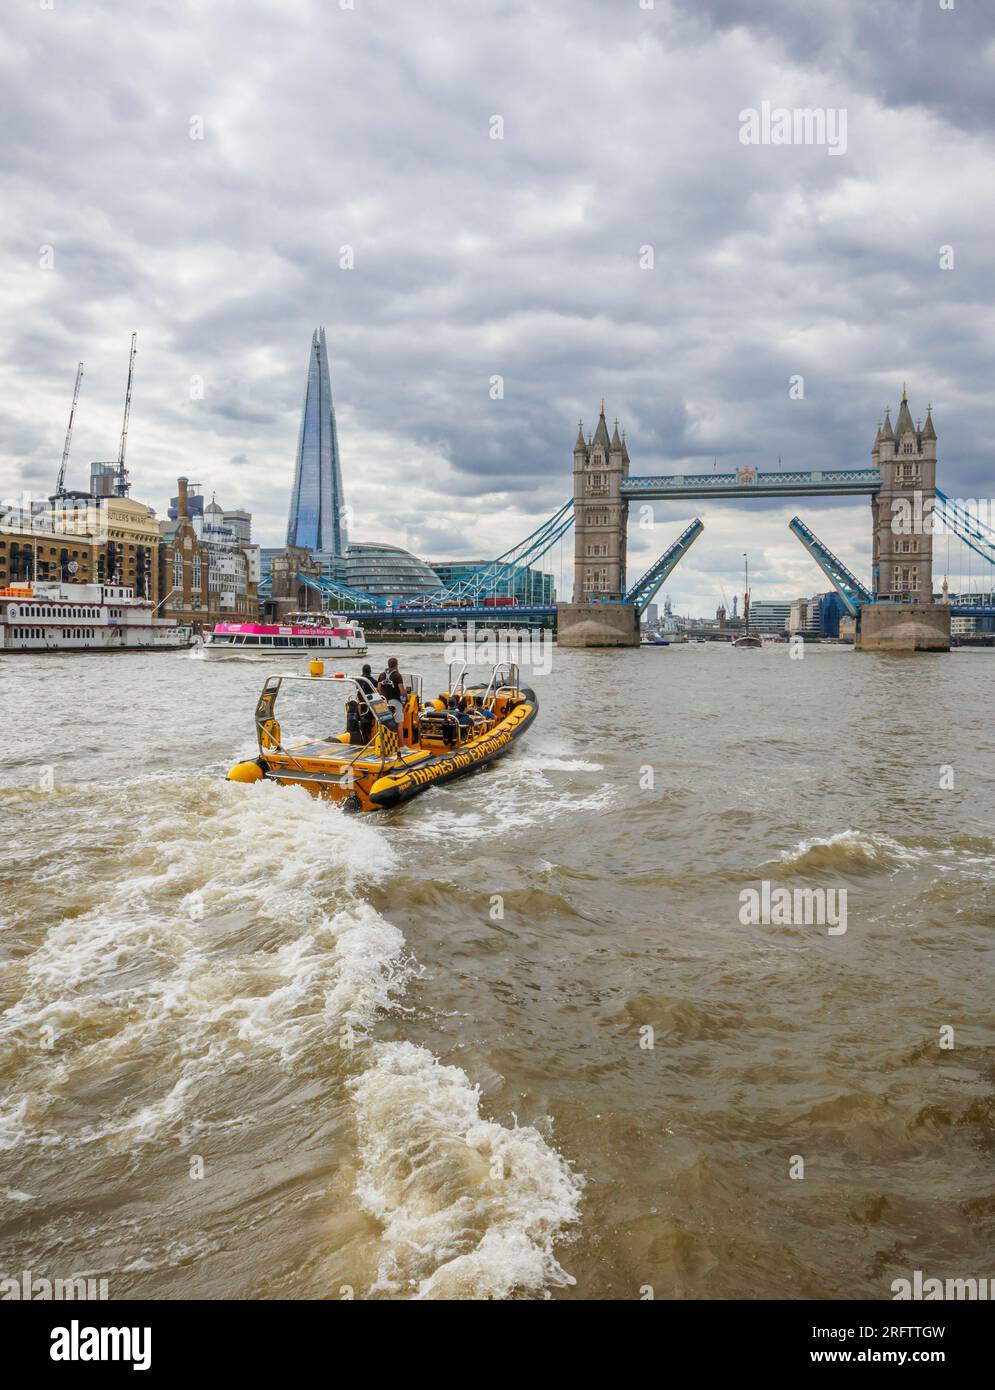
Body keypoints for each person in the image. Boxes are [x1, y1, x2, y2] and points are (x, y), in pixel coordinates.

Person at [378, 657, 407, 726]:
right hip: (394, 703)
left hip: (384, 703)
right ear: (396, 665)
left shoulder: (381, 675)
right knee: (399, 724)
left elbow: (378, 689)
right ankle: (400, 737)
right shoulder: (397, 675)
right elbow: (402, 693)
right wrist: (407, 696)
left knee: (384, 723)